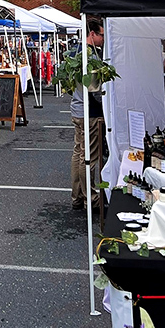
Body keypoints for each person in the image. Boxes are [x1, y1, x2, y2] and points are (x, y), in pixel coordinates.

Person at [70, 21, 105, 211]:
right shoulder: (90, 55)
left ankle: (77, 196)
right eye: (101, 35)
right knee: (88, 157)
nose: (103, 39)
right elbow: (95, 90)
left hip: (77, 108)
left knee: (78, 153)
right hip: (89, 111)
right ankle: (90, 198)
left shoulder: (75, 52)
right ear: (92, 33)